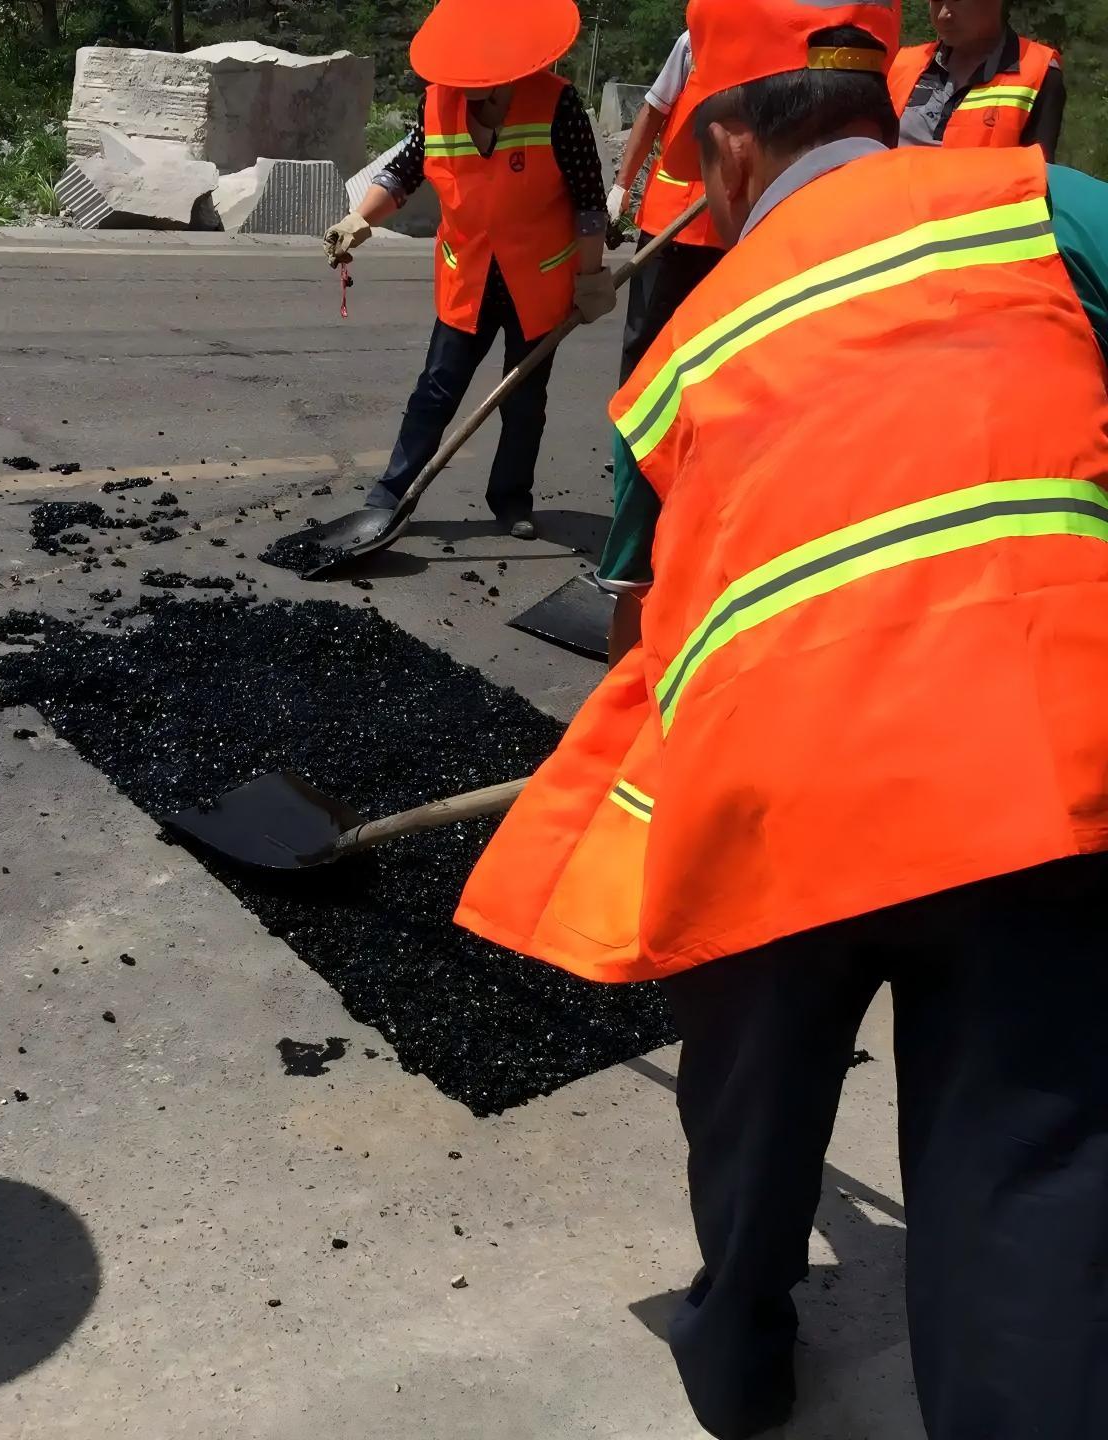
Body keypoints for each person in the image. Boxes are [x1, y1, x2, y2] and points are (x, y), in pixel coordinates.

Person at [456, 0, 1108, 1435]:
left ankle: (739, 1357)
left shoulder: (687, 344)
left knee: (747, 1092)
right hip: (1034, 764)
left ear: (733, 147)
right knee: (1026, 1179)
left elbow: (636, 634)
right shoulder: (1043, 211)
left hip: (774, 793)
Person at [322, 0, 613, 541]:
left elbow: (589, 199)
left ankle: (511, 498)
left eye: (489, 90)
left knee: (524, 400)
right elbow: (404, 172)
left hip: (538, 280)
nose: (476, 97)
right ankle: (391, 495)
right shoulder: (437, 104)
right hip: (469, 278)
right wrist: (358, 220)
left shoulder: (558, 104)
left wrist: (591, 276)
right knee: (436, 389)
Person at [610, 30, 726, 387]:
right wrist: (621, 185)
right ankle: (631, 422)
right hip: (666, 225)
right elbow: (653, 111)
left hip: (728, 233)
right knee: (644, 343)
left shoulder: (776, 47)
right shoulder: (693, 43)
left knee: (707, 352)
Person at [890, 0, 1066, 159]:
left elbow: (1037, 177)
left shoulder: (1040, 71)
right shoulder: (903, 63)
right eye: (936, 0)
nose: (943, 15)